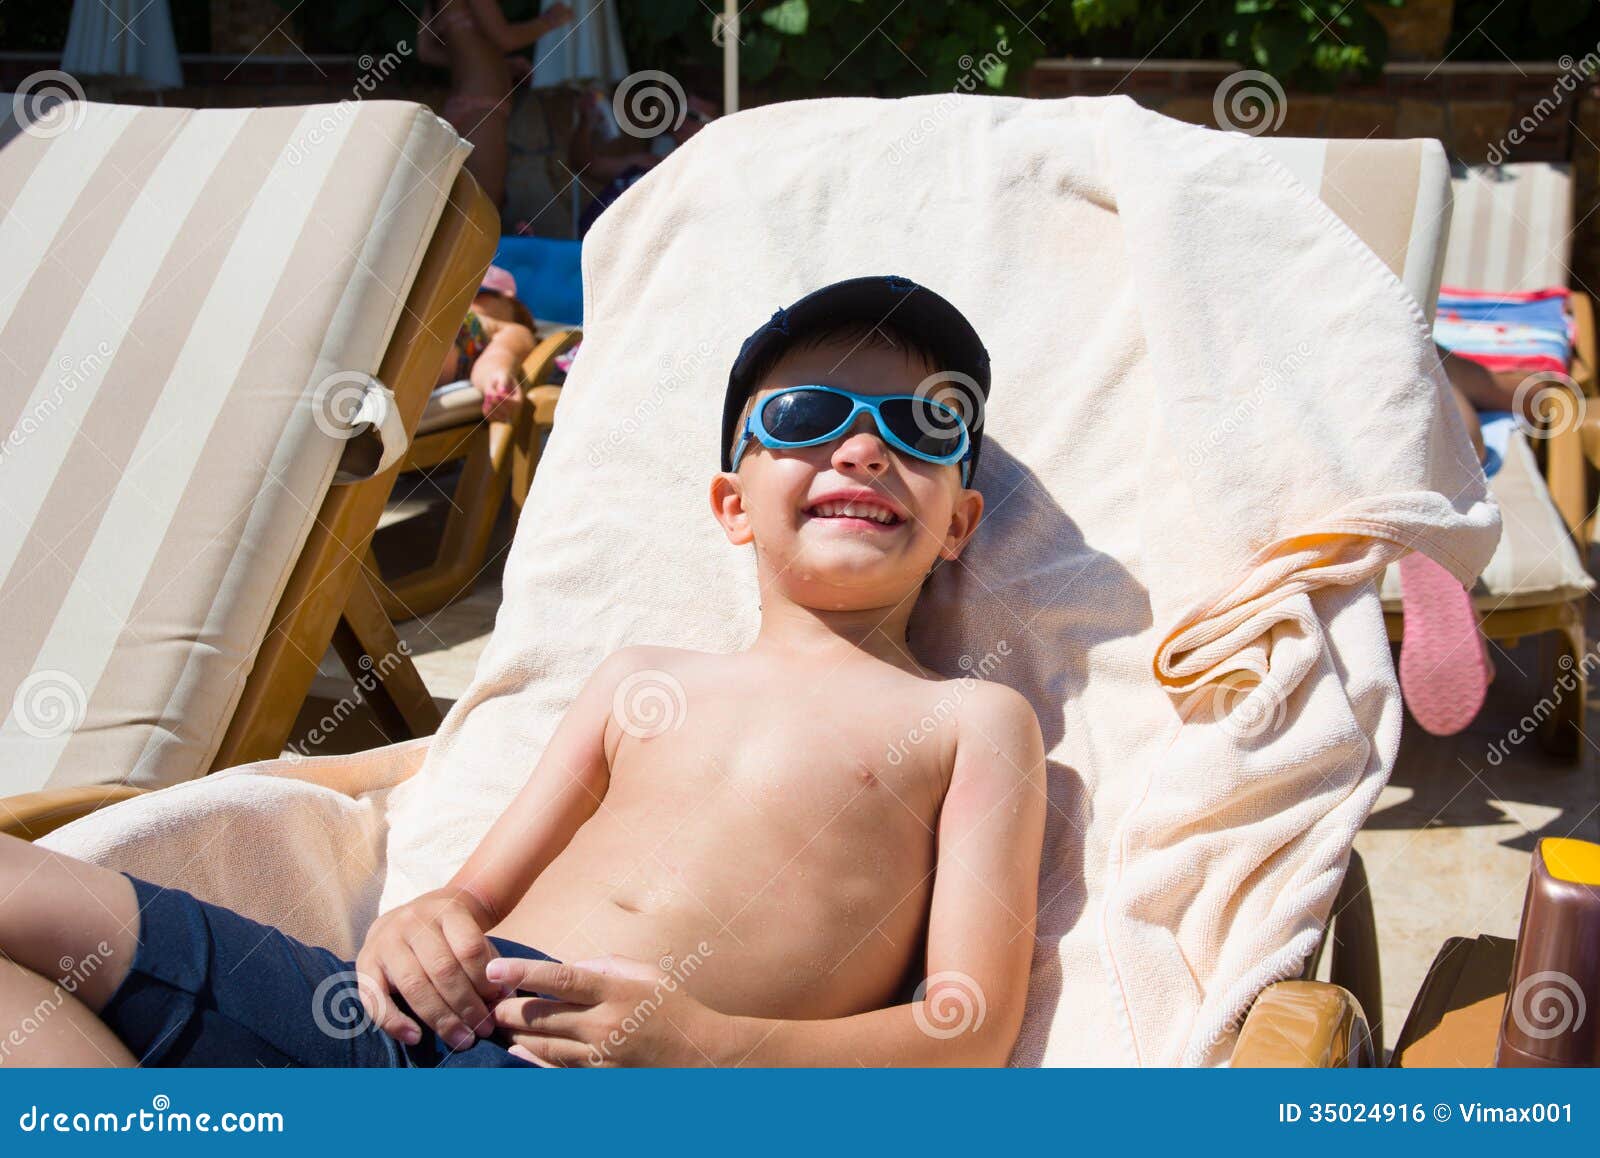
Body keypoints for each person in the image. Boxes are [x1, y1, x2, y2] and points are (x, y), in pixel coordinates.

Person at [0, 276, 1048, 1068]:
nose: (863, 450)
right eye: (807, 420)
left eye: (923, 427)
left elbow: (968, 1026)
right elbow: (466, 896)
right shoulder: (640, 679)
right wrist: (422, 921)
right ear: (732, 504)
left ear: (957, 523)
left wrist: (704, 1043)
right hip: (401, 1028)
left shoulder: (970, 720)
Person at [419, 0, 575, 207]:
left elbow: (426, 51)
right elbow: (505, 39)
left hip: (464, 102)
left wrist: (494, 63)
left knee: (466, 205)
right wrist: (549, 22)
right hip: (483, 107)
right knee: (483, 208)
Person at [438, 264, 540, 421]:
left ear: (507, 301)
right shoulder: (452, 306)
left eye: (483, 292)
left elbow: (498, 356)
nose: (472, 299)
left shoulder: (511, 329)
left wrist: (496, 380)